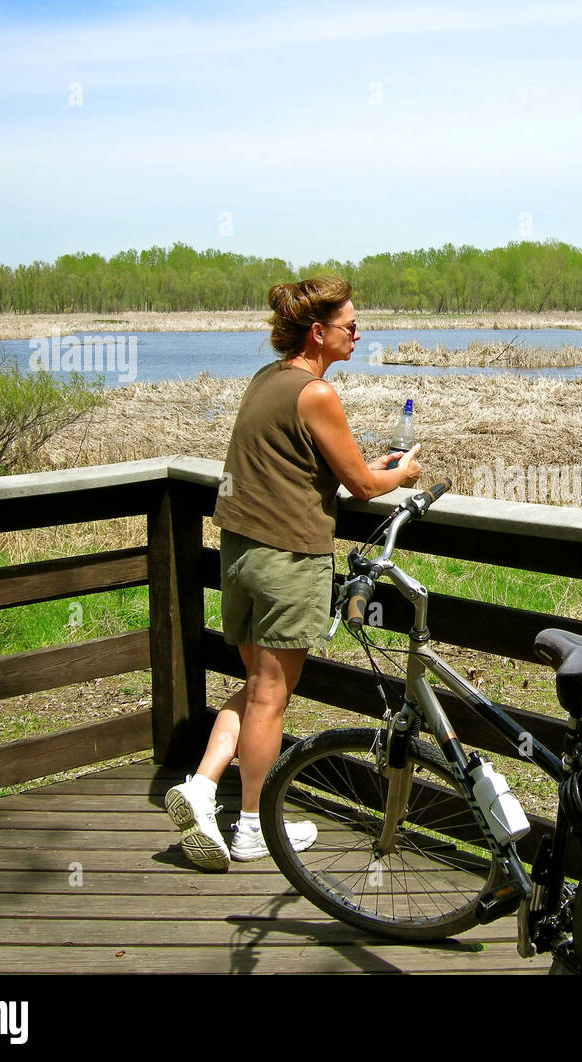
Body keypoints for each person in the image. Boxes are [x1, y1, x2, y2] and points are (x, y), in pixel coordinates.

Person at [165, 276, 422, 871]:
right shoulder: (317, 394)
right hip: (289, 560)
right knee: (273, 698)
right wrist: (401, 474)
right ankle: (254, 827)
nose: (359, 334)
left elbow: (318, 466)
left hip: (242, 556)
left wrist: (364, 466)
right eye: (350, 326)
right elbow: (360, 485)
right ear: (318, 332)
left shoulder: (267, 381)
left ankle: (202, 788)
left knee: (258, 688)